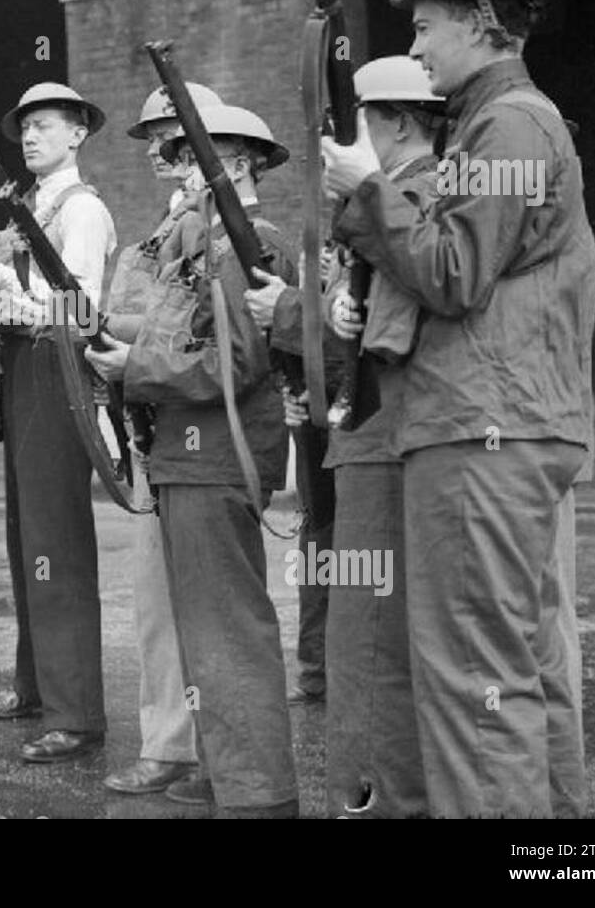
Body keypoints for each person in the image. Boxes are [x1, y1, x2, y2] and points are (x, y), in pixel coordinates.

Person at [321, 0, 595, 818]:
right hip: (512, 420)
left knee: (473, 680)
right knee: (520, 666)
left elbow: (452, 271)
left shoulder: (506, 121)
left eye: (427, 25)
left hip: (481, 425)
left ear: (483, 21)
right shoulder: (512, 120)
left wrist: (370, 189)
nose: (415, 48)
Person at [87, 104, 298, 817]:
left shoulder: (246, 242)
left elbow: (233, 362)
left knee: (227, 628)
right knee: (207, 631)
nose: (172, 168)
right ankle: (226, 770)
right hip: (187, 456)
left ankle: (256, 791)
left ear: (233, 163)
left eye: (185, 154)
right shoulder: (200, 242)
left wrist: (133, 367)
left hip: (216, 458)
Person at [248, 55, 444, 817]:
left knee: (367, 638)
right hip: (367, 441)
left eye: (352, 124)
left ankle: (373, 800)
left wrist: (291, 314)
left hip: (381, 445)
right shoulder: (399, 199)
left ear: (393, 122)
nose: (335, 146)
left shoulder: (405, 198)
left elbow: (369, 335)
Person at [0, 82, 116, 764]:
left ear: (78, 133)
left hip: (58, 368)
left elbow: (79, 309)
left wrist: (10, 290)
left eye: (46, 126)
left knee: (55, 535)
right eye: (25, 126)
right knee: (23, 532)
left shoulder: (81, 210)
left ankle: (76, 710)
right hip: (22, 372)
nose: (30, 137)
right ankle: (35, 683)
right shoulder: (25, 206)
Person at [100, 82, 221, 796]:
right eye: (151, 137)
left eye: (172, 134)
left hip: (200, 430)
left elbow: (190, 328)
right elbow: (124, 314)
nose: (158, 149)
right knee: (155, 597)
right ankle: (170, 742)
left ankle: (213, 749)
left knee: (205, 602)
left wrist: (131, 333)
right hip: (156, 426)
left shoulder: (214, 225)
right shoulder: (164, 224)